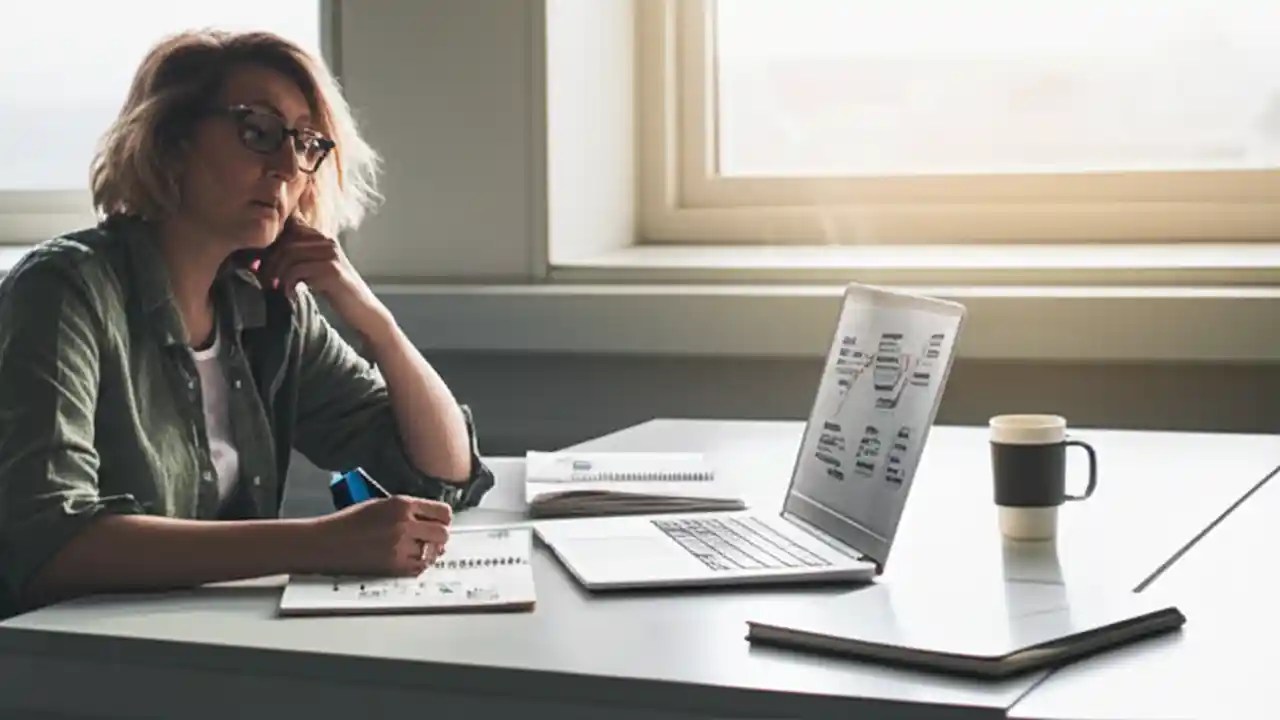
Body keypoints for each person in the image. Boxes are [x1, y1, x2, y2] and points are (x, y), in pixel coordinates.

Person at [0, 29, 494, 617]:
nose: (288, 166)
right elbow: (51, 543)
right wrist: (317, 543)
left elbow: (441, 472)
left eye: (308, 144)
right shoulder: (62, 290)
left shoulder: (269, 306)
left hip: (214, 648)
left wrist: (371, 317)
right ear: (172, 140)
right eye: (257, 132)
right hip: (67, 668)